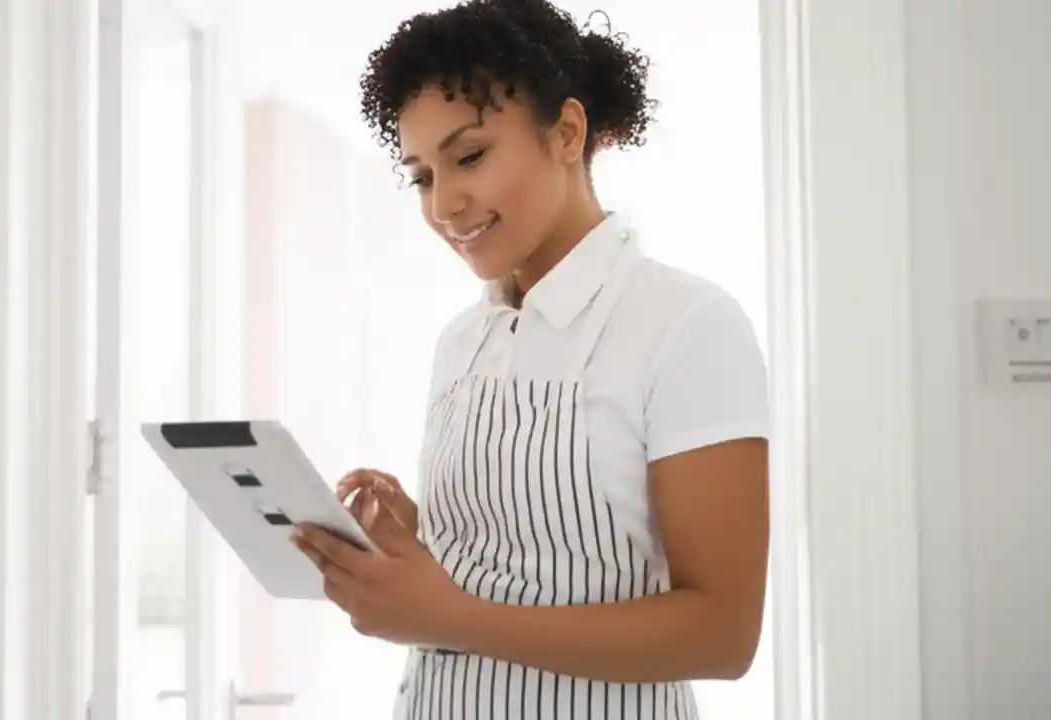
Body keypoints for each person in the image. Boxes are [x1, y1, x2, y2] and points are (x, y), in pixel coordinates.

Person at [290, 1, 769, 717]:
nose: (445, 205)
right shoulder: (462, 341)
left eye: (470, 156)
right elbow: (537, 570)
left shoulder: (686, 325)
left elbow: (722, 634)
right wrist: (422, 540)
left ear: (567, 132)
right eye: (421, 176)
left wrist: (441, 614)